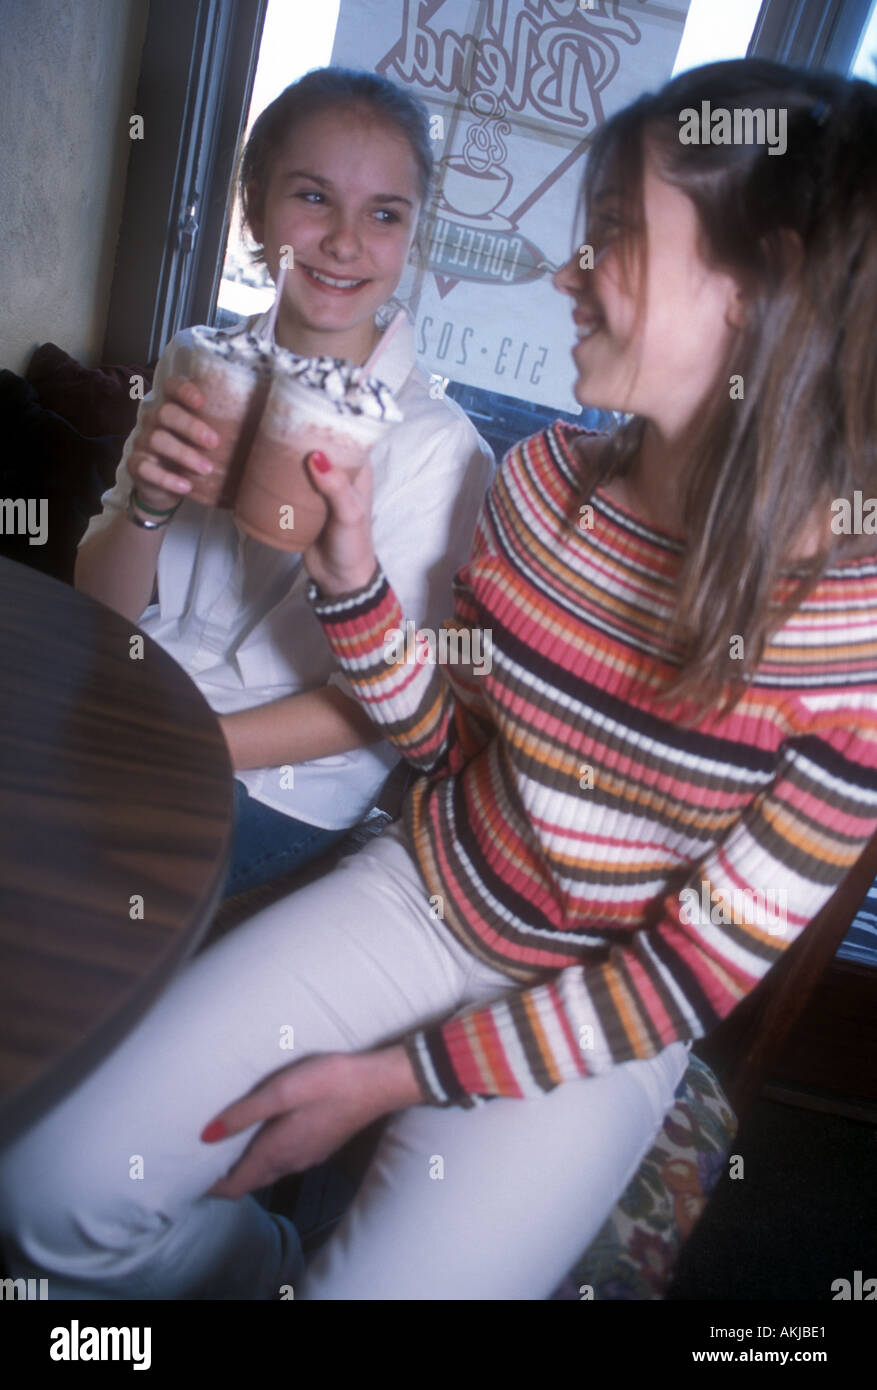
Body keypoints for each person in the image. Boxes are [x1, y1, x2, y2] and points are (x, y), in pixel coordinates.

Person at [3, 58, 877, 1301]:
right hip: (425, 893)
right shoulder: (540, 491)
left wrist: (398, 1077)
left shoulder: (853, 640)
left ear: (764, 290)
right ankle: (248, 1274)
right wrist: (350, 576)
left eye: (614, 240)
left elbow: (691, 967)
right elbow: (441, 742)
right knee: (48, 1190)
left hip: (609, 1000)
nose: (568, 273)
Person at [73, 68, 494, 898]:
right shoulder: (197, 361)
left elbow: (379, 700)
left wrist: (184, 742)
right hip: (140, 690)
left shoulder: (443, 451)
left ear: (413, 234)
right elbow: (100, 610)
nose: (345, 241)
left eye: (384, 214)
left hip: (280, 777)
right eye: (312, 197)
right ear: (256, 205)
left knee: (74, 876)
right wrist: (150, 507)